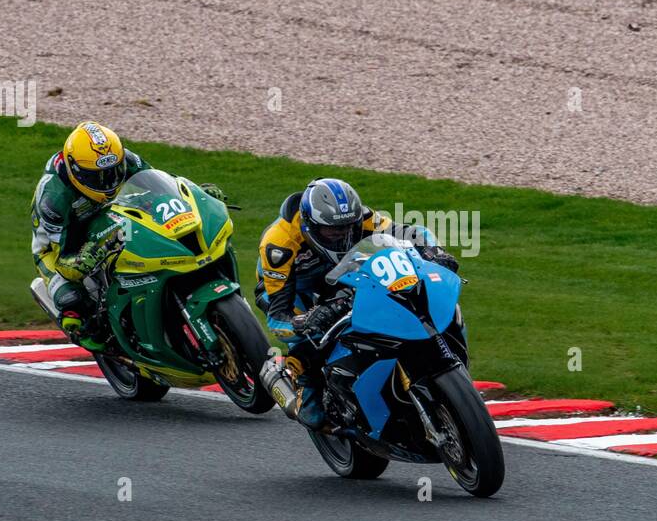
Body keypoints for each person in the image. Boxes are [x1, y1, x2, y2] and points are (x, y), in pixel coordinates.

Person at [255, 178, 458, 430]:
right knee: (310, 340)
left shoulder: (360, 216)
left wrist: (434, 253)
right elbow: (277, 318)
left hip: (338, 272)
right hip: (291, 286)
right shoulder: (279, 244)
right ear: (310, 227)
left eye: (347, 228)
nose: (341, 235)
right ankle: (300, 387)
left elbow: (408, 232)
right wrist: (306, 320)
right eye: (332, 231)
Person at [30, 121, 224, 351]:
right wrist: (84, 259)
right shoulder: (53, 197)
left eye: (113, 173)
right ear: (76, 171)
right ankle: (93, 335)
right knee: (73, 303)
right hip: (60, 247)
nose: (109, 182)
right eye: (97, 178)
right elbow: (63, 261)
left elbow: (160, 185)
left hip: (108, 216)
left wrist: (195, 196)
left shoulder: (123, 158)